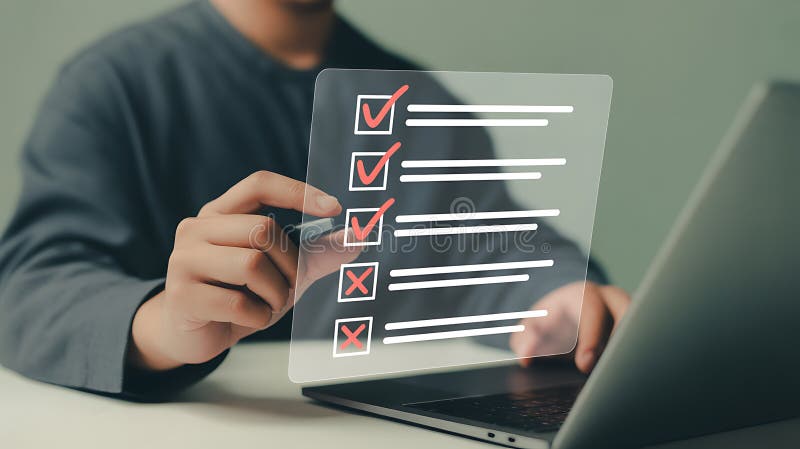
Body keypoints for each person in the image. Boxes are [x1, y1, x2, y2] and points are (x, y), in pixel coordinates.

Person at [0, 0, 631, 399]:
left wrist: (557, 298)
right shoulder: (113, 89)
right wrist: (162, 325)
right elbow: (30, 286)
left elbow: (493, 258)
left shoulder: (424, 103)